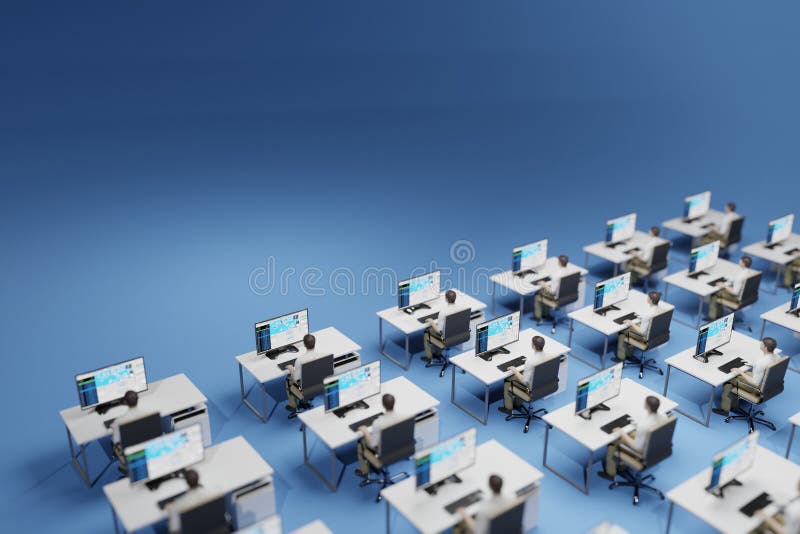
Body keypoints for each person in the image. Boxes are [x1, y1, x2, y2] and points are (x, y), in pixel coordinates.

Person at [600, 396, 666, 480]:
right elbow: (650, 427)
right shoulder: (664, 417)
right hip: (655, 446)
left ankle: (610, 473)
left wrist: (622, 432)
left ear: (647, 406)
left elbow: (636, 446)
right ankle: (621, 465)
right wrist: (637, 424)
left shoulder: (644, 425)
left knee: (612, 443)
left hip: (642, 452)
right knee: (631, 433)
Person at [713, 337, 781, 416]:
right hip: (768, 384)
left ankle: (725, 409)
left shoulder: (762, 362)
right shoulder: (777, 357)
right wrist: (752, 365)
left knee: (728, 382)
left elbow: (755, 383)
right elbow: (764, 367)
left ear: (765, 348)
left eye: (762, 343)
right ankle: (733, 405)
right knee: (743, 374)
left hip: (757, 387)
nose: (760, 344)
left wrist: (740, 371)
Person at [355, 393, 404, 477]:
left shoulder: (378, 422)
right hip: (399, 449)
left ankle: (364, 471)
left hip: (385, 453)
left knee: (360, 443)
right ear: (394, 403)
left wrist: (365, 431)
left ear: (383, 404)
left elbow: (373, 445)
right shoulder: (401, 417)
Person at [500, 336, 548, 414]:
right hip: (543, 384)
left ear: (533, 345)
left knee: (508, 380)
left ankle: (508, 408)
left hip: (531, 387)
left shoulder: (530, 361)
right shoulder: (548, 356)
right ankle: (517, 404)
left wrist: (514, 370)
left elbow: (524, 380)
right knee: (522, 372)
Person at [616, 291, 662, 361]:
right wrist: (642, 318)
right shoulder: (659, 309)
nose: (647, 298)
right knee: (635, 325)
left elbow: (641, 331)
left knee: (622, 332)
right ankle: (629, 351)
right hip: (654, 335)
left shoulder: (648, 314)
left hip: (645, 337)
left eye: (648, 297)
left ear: (650, 300)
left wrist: (630, 322)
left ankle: (622, 357)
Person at [423, 289, 465, 363]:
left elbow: (439, 331)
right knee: (441, 329)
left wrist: (432, 321)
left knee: (427, 332)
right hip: (457, 334)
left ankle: (429, 357)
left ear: (446, 299)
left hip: (446, 337)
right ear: (455, 298)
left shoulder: (443, 312)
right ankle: (438, 354)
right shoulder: (461, 308)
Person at [708, 255, 753, 320]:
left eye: (740, 261)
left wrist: (724, 286)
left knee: (715, 293)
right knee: (724, 288)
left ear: (743, 263)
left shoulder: (740, 277)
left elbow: (735, 292)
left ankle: (713, 317)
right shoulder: (749, 273)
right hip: (745, 297)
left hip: (737, 298)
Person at [285, 334, 320, 412]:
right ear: (315, 342)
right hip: (317, 386)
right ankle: (306, 400)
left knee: (288, 380)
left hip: (303, 389)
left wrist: (291, 369)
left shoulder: (299, 360)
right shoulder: (320, 355)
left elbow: (295, 380)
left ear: (304, 344)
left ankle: (292, 405)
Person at [534, 255, 570, 322]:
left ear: (559, 262)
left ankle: (538, 317)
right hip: (565, 296)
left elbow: (551, 291)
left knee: (537, 294)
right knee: (544, 291)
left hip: (556, 297)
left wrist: (543, 284)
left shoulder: (557, 275)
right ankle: (545, 313)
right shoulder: (568, 272)